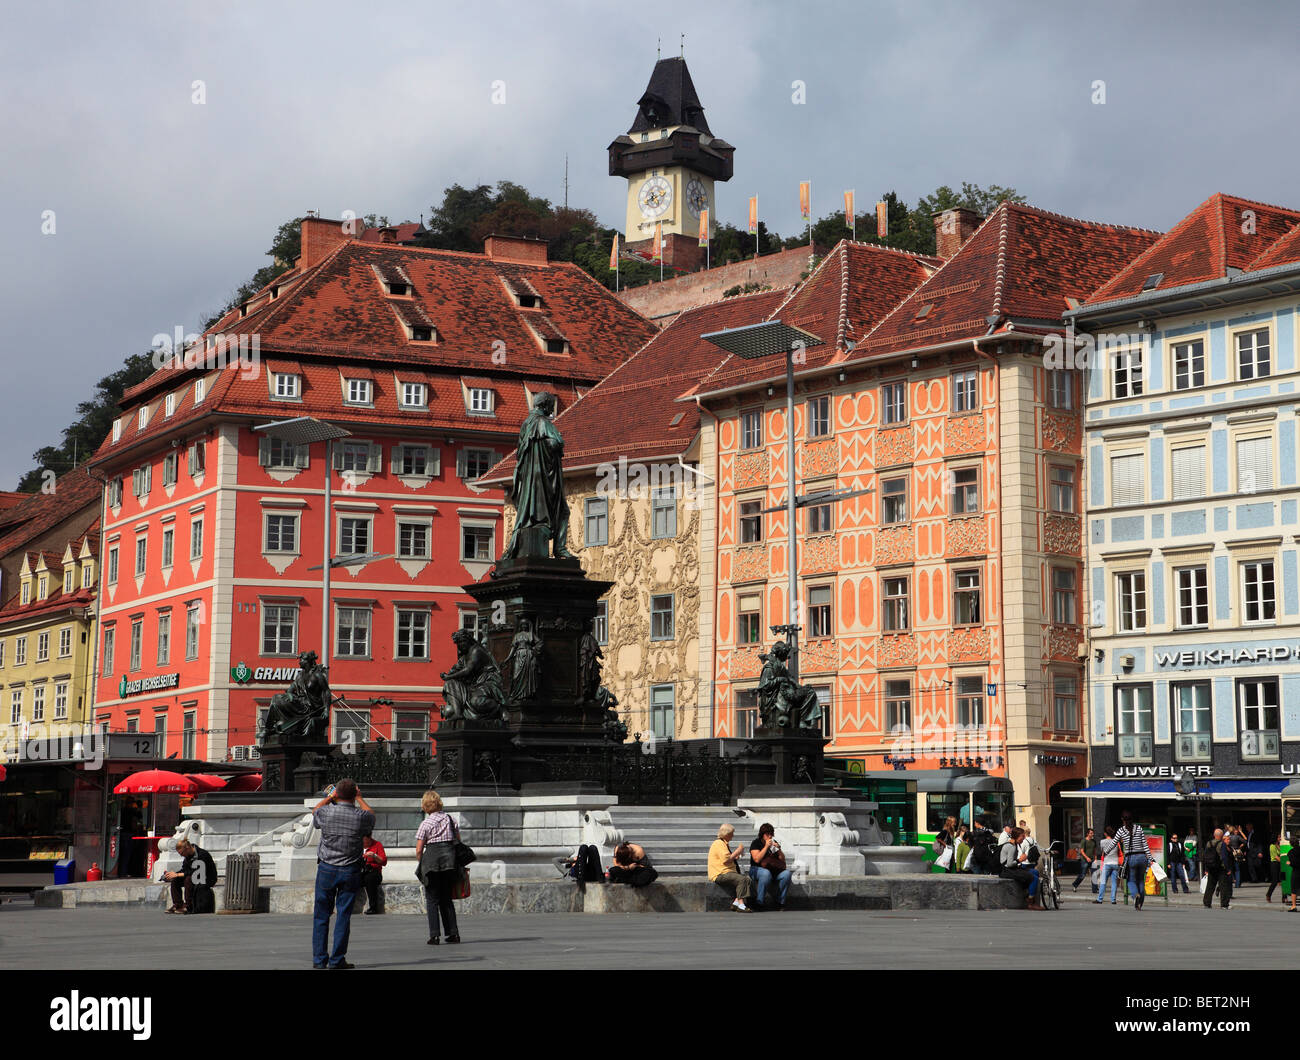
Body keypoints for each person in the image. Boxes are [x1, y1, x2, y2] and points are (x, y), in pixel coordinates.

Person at [311, 779, 375, 969]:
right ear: (354, 794)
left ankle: (319, 959)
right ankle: (337, 959)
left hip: (327, 867)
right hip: (350, 868)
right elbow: (371, 815)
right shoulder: (361, 816)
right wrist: (360, 798)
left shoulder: (326, 812)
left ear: (337, 794)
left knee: (321, 915)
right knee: (343, 915)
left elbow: (315, 811)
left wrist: (330, 797)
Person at [415, 790, 462, 945]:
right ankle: (453, 933)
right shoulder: (451, 819)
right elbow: (458, 841)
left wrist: (421, 863)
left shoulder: (426, 823)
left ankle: (434, 935)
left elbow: (419, 849)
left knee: (432, 899)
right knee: (446, 898)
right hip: (449, 862)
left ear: (425, 805)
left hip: (432, 863)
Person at [163, 838, 217, 915]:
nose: (182, 856)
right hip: (195, 876)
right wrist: (173, 875)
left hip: (206, 878)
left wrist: (178, 874)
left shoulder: (202, 854)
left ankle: (189, 905)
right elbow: (185, 870)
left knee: (189, 879)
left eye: (182, 853)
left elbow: (197, 872)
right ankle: (178, 905)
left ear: (187, 848)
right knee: (175, 880)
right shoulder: (188, 857)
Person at [708, 823, 753, 912]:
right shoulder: (718, 843)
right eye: (732, 833)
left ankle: (736, 902)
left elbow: (729, 858)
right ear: (727, 834)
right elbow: (726, 860)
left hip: (726, 871)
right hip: (720, 873)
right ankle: (741, 904)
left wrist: (738, 855)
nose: (733, 836)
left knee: (748, 879)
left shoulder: (724, 843)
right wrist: (737, 851)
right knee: (742, 879)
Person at [748, 823, 793, 910]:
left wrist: (779, 849)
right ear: (762, 834)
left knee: (787, 874)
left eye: (771, 834)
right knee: (765, 873)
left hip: (772, 870)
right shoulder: (756, 843)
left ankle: (780, 902)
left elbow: (782, 860)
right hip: (756, 870)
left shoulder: (773, 843)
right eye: (767, 834)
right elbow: (757, 859)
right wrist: (765, 847)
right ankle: (759, 902)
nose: (769, 836)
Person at [1000, 827, 1041, 909]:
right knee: (1034, 878)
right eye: (1022, 836)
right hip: (1007, 870)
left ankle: (1028, 893)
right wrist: (1020, 860)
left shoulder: (1014, 844)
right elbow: (1009, 864)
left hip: (1011, 869)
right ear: (1017, 836)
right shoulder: (1011, 846)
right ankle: (1030, 902)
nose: (1024, 838)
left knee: (1035, 872)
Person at [1202, 827, 1233, 909]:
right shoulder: (1222, 844)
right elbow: (1224, 857)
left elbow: (1205, 856)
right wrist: (1228, 869)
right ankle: (1224, 904)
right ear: (1222, 836)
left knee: (1210, 886)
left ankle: (1207, 903)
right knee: (1223, 886)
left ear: (1214, 835)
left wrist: (1206, 869)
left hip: (1211, 867)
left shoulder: (1208, 843)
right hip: (1220, 868)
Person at [360, 834, 387, 914]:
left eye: (367, 840)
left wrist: (374, 856)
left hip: (373, 872)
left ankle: (373, 907)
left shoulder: (377, 845)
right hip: (360, 871)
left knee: (370, 879)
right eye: (363, 840)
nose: (365, 843)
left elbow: (384, 862)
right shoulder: (357, 845)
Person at [1095, 826, 1121, 905]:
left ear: (1105, 833)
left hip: (1107, 863)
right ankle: (1113, 900)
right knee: (1114, 883)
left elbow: (1103, 852)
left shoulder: (1102, 841)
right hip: (1115, 863)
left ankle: (1100, 899)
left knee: (1103, 882)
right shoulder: (1116, 841)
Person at [1073, 827, 1097, 892]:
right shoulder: (1084, 841)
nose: (1092, 834)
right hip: (1084, 860)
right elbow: (1082, 851)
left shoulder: (1094, 841)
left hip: (1092, 860)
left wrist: (1095, 859)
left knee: (1094, 874)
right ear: (1087, 834)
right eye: (1091, 833)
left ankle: (1095, 889)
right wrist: (1087, 858)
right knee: (1083, 875)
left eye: (1093, 833)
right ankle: (1075, 884)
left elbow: (1095, 851)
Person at [1265, 833, 1283, 902]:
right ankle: (1268, 895)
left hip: (1280, 864)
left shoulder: (1279, 845)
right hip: (1274, 864)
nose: (1280, 838)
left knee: (1283, 880)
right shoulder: (1272, 846)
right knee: (1275, 881)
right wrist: (1284, 862)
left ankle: (1284, 897)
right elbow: (1276, 857)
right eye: (1279, 837)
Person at [1288, 840, 1300, 912]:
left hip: (1296, 872)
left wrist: (1289, 863)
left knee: (1294, 889)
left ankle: (1293, 906)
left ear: (1291, 844)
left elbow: (1294, 863)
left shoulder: (1290, 852)